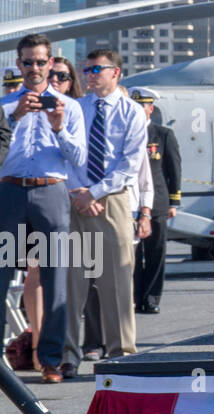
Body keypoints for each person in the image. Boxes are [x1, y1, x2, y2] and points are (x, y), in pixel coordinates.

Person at [0, 34, 85, 383]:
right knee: (2, 273)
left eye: (40, 61)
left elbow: (79, 159)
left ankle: (50, 359)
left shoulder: (70, 107)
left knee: (55, 277)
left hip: (50, 191)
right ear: (19, 65)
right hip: (9, 191)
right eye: (27, 62)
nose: (34, 68)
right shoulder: (5, 106)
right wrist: (17, 117)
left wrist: (59, 127)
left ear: (51, 64)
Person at [61, 49, 150, 379]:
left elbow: (129, 164)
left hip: (112, 200)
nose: (89, 74)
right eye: (86, 69)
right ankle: (69, 354)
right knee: (72, 282)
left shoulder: (132, 112)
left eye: (97, 69)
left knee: (116, 282)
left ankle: (120, 352)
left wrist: (94, 193)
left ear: (117, 72)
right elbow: (65, 154)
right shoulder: (76, 108)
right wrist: (79, 192)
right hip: (75, 199)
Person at [130, 87, 182, 313]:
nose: (138, 110)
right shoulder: (126, 134)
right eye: (134, 106)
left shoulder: (163, 134)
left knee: (155, 252)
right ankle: (134, 296)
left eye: (142, 106)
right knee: (132, 254)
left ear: (150, 109)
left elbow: (174, 168)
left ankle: (151, 298)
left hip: (158, 203)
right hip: (131, 202)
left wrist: (174, 202)